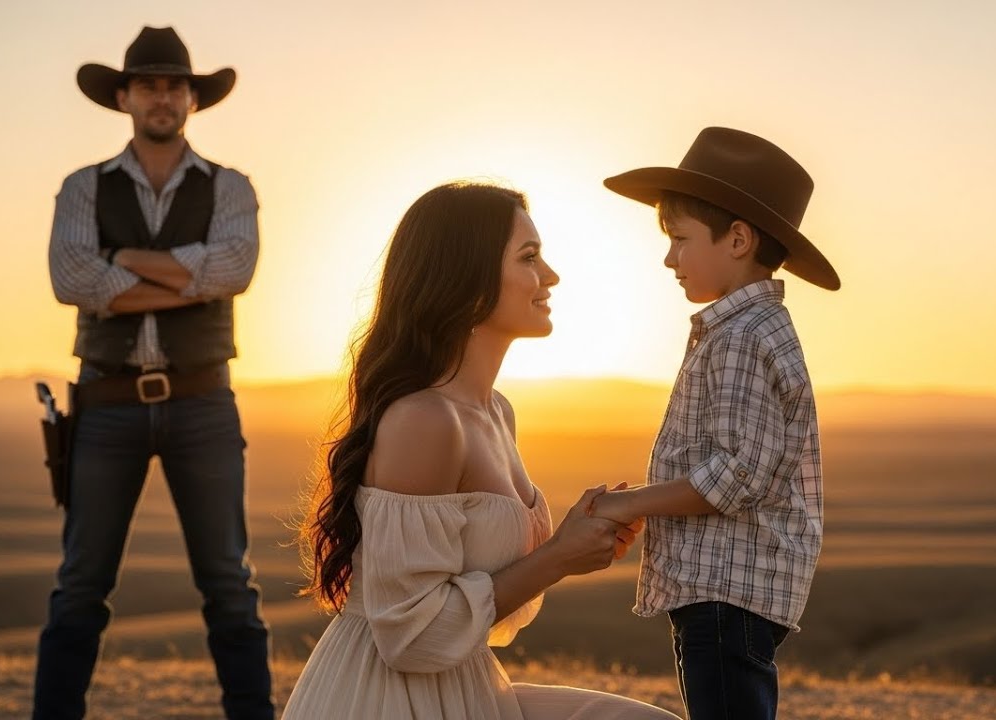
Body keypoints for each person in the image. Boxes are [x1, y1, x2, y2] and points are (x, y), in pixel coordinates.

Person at [285, 182, 677, 719]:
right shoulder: (425, 421)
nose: (551, 276)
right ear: (467, 279)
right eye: (529, 257)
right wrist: (558, 557)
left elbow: (490, 601)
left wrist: (576, 538)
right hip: (387, 698)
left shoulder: (497, 411)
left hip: (462, 684)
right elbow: (411, 641)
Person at [36, 27, 272, 719]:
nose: (162, 97)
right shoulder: (82, 187)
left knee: (229, 585)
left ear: (193, 99)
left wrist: (122, 261)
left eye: (175, 86)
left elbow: (236, 271)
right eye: (148, 85)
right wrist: (190, 280)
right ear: (124, 97)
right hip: (106, 402)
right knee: (81, 584)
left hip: (203, 403)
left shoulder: (232, 187)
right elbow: (70, 280)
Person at [591, 127, 838, 720]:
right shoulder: (751, 330)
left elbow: (736, 476)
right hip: (732, 589)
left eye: (679, 239)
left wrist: (632, 503)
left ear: (738, 239)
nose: (669, 258)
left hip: (726, 590)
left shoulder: (741, 338)